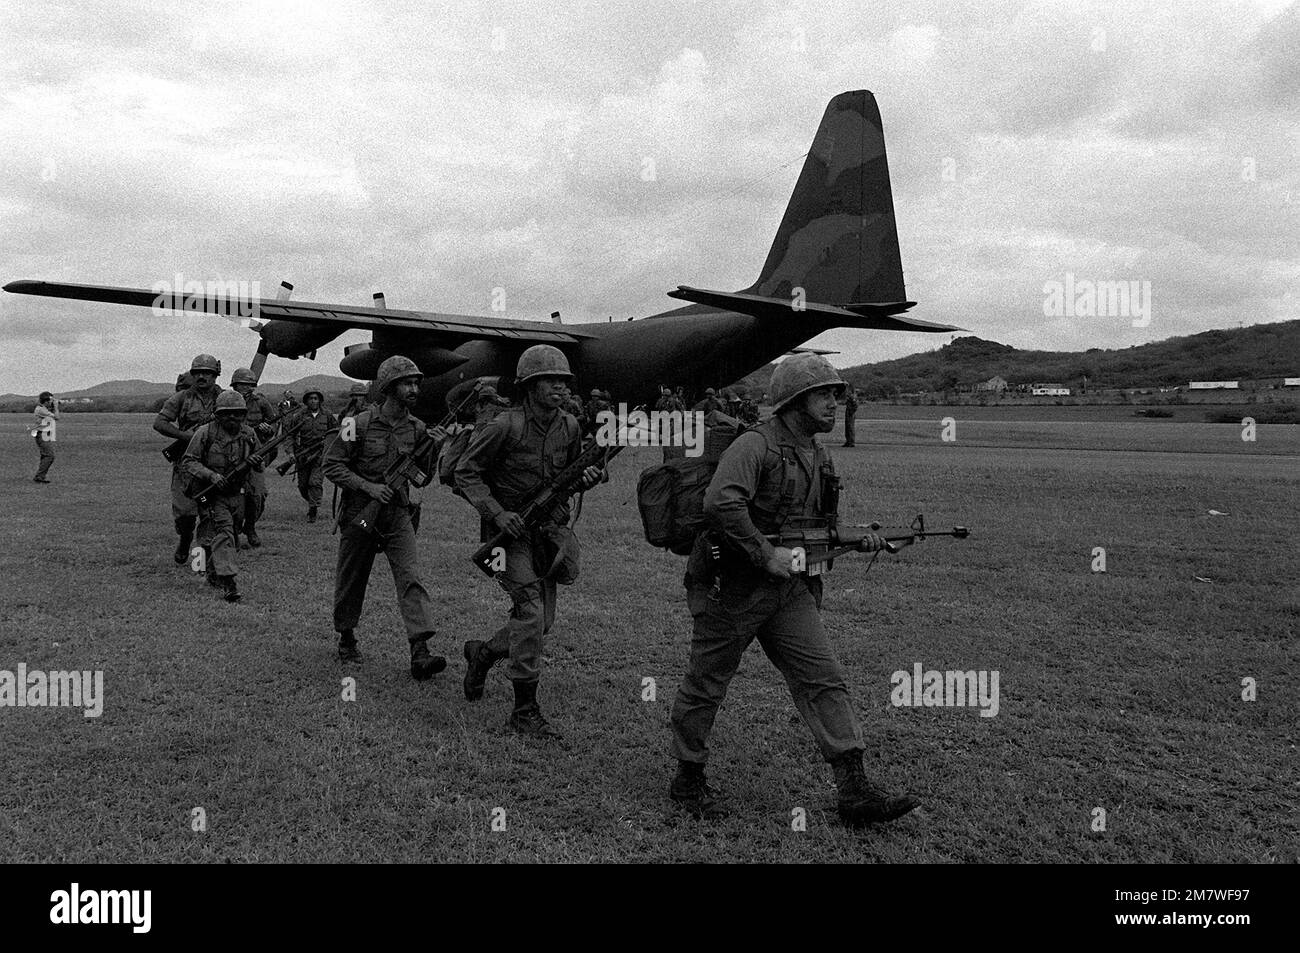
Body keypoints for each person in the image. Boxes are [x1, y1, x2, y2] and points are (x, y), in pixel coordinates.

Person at [667, 353, 919, 827]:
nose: (834, 404)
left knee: (823, 677)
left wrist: (860, 537)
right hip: (734, 588)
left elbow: (815, 527)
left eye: (834, 394)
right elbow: (721, 503)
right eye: (824, 394)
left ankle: (854, 790)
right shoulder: (754, 446)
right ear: (795, 400)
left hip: (789, 591)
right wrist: (766, 555)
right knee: (707, 683)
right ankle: (688, 778)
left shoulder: (817, 454)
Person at [455, 345, 603, 739]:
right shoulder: (504, 425)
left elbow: (579, 470)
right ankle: (524, 711)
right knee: (532, 613)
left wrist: (590, 477)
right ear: (530, 386)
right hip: (506, 538)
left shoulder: (570, 426)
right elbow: (466, 472)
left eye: (563, 381)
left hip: (547, 533)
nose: (559, 387)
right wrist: (497, 512)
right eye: (550, 381)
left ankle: (483, 654)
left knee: (542, 622)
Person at [322, 356, 448, 680]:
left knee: (411, 578)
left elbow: (422, 479)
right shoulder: (358, 424)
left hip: (397, 515)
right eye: (408, 383)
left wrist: (432, 449)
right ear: (389, 387)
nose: (414, 389)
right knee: (352, 577)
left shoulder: (418, 428)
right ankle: (347, 638)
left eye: (417, 383)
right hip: (361, 515)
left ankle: (420, 651)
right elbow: (332, 465)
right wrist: (369, 487)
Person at [180, 390, 260, 603]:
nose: (231, 418)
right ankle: (227, 581)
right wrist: (212, 476)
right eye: (226, 413)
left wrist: (257, 461)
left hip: (237, 493)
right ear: (218, 414)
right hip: (209, 492)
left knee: (229, 531)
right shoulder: (205, 433)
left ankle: (212, 572)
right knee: (220, 531)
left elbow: (262, 460)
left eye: (236, 413)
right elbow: (188, 462)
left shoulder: (249, 434)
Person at [154, 355, 223, 564]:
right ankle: (185, 539)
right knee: (185, 514)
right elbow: (160, 423)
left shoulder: (225, 397)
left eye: (207, 373)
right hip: (186, 464)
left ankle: (201, 563)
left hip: (213, 465)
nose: (202, 376)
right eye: (198, 373)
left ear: (215, 375)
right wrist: (186, 436)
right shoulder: (182, 397)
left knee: (208, 516)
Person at [228, 368, 280, 547]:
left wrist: (268, 430)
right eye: (242, 384)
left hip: (255, 455)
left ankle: (250, 527)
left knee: (258, 495)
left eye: (250, 385)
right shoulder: (226, 401)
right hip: (231, 455)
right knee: (231, 497)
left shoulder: (262, 402)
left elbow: (274, 425)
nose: (246, 388)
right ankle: (232, 531)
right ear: (234, 385)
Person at [293, 389, 337, 523]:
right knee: (303, 485)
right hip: (303, 455)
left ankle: (313, 510)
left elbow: (335, 432)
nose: (313, 401)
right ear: (306, 401)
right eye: (311, 398)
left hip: (320, 454)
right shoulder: (299, 416)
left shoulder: (328, 415)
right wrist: (291, 452)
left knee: (314, 482)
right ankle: (311, 502)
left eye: (316, 398)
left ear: (320, 400)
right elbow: (290, 435)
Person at [32, 391, 60, 483]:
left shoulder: (42, 408)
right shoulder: (41, 410)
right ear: (46, 401)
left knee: (45, 456)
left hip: (45, 433)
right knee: (49, 456)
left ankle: (40, 477)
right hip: (41, 434)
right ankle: (39, 476)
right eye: (50, 401)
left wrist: (52, 406)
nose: (52, 402)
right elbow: (57, 417)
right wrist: (56, 407)